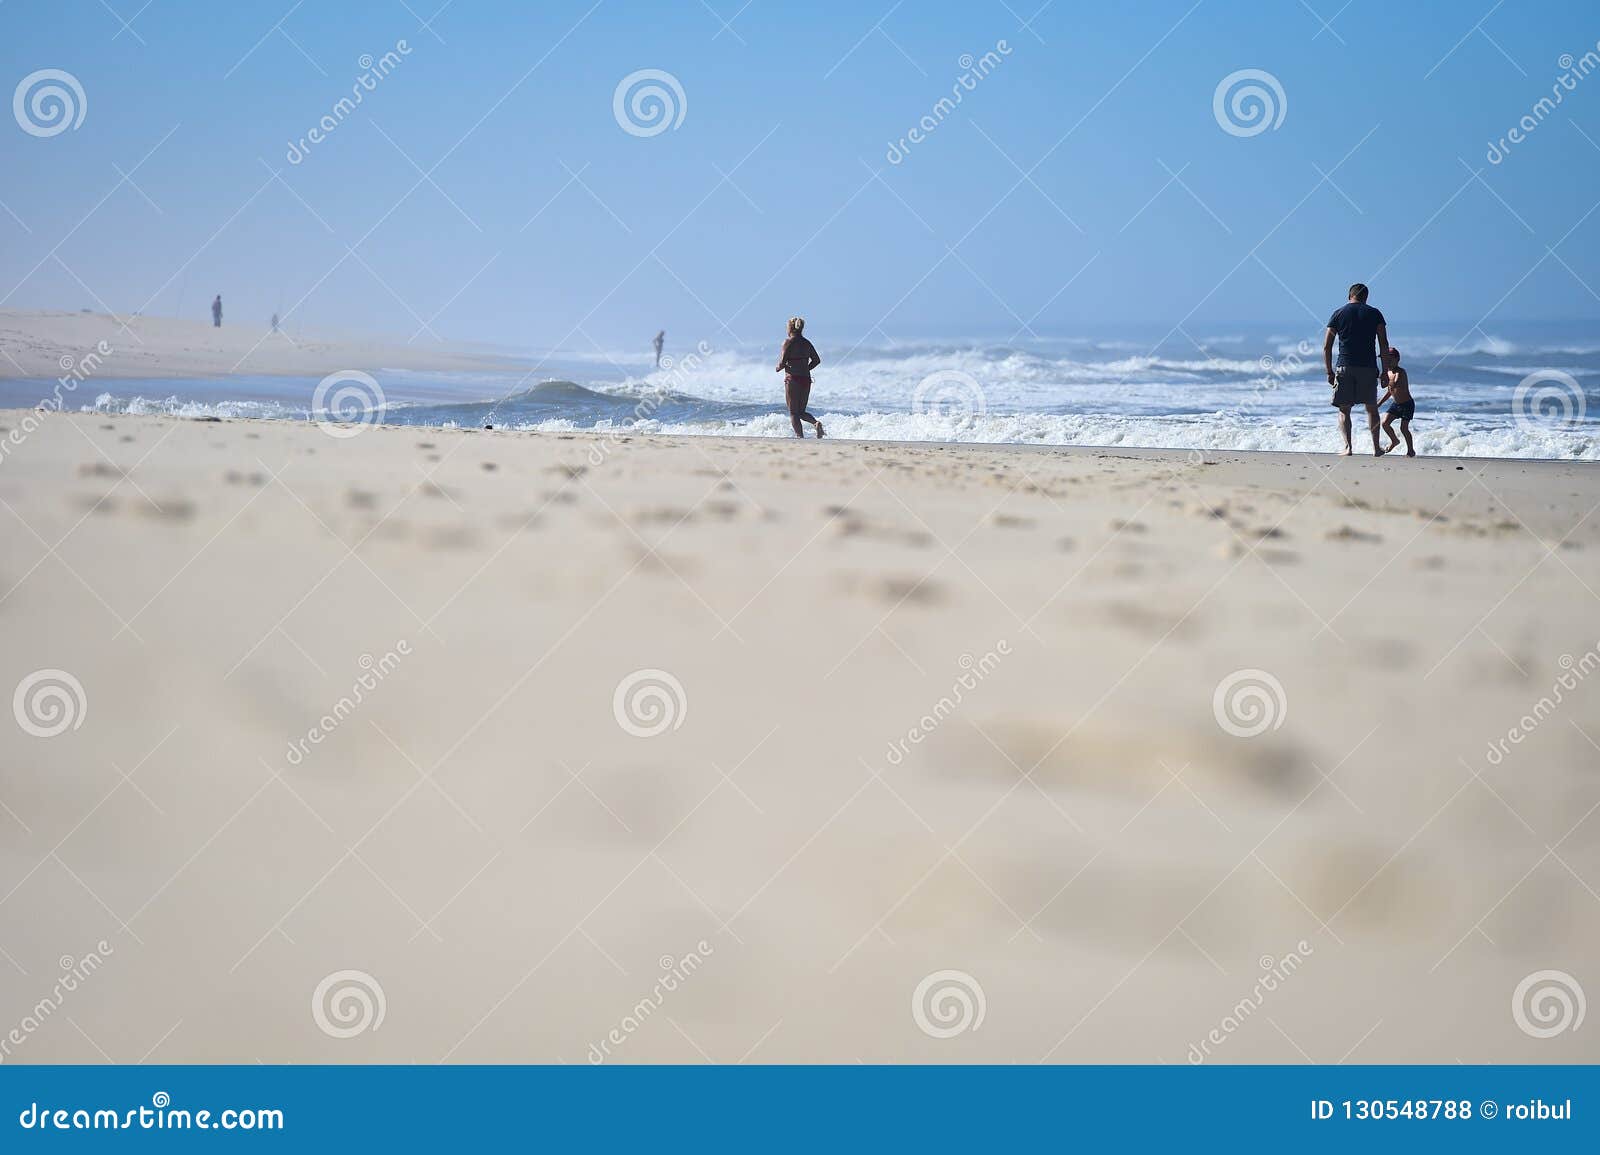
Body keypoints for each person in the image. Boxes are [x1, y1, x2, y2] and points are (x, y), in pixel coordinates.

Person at [1323, 282, 1388, 456]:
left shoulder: (1338, 314)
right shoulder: (1375, 314)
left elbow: (1327, 346)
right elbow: (1383, 344)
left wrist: (1329, 371)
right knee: (1372, 409)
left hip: (1344, 366)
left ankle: (1348, 447)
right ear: (1366, 297)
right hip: (1368, 367)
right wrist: (1385, 371)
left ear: (1349, 295)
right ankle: (1376, 448)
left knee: (1344, 410)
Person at [775, 316, 823, 438]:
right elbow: (816, 360)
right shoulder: (807, 343)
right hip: (806, 380)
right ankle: (815, 423)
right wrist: (806, 369)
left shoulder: (788, 342)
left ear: (790, 328)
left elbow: (781, 363)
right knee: (801, 412)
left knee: (793, 413)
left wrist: (778, 368)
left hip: (793, 380)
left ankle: (799, 437)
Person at [1378, 347, 1416, 457]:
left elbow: (1394, 383)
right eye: (1386, 359)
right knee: (1385, 423)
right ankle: (1394, 441)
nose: (1388, 362)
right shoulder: (1388, 372)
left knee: (1403, 428)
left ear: (1397, 359)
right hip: (1396, 404)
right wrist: (1380, 403)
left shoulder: (1401, 372)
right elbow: (1389, 391)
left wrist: (1382, 378)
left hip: (1407, 404)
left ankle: (1411, 451)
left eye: (1390, 359)